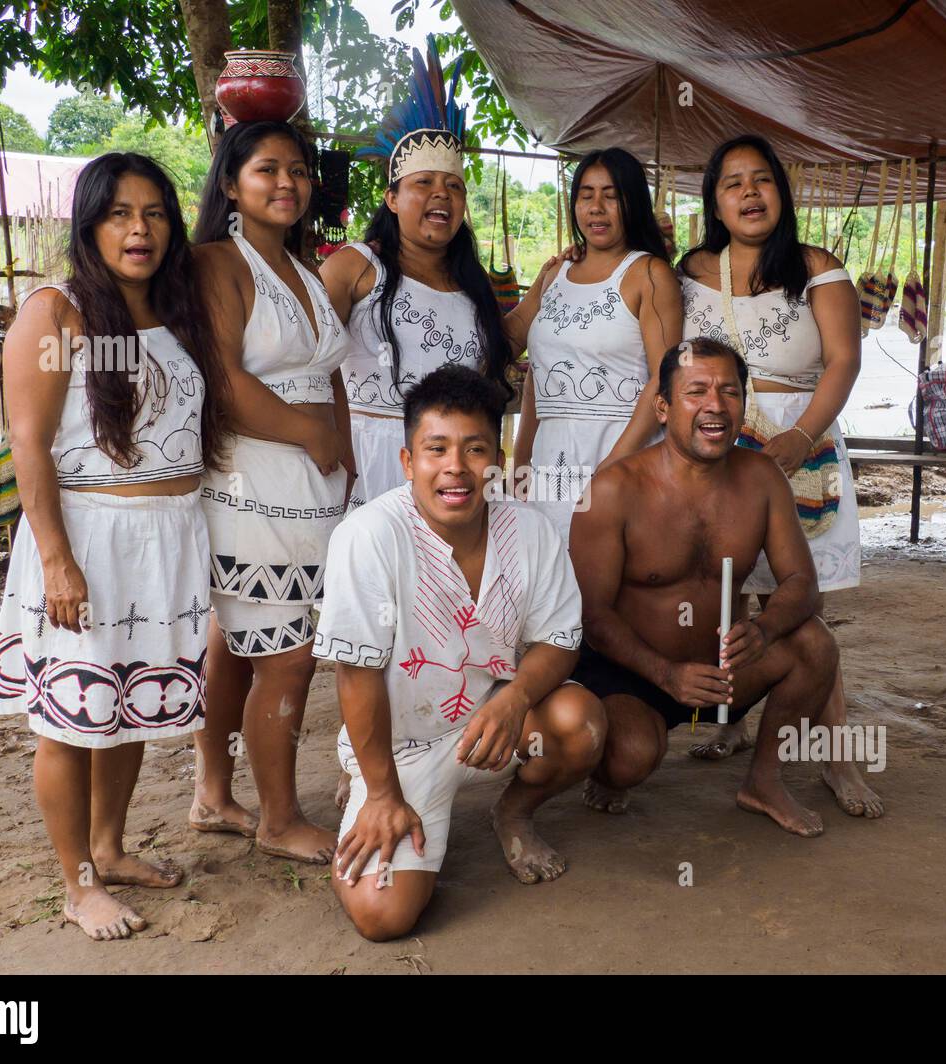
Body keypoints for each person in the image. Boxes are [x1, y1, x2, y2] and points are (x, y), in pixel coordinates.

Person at [0, 152, 229, 940]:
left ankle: (111, 848)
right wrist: (56, 558)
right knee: (68, 719)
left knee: (124, 707)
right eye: (121, 213)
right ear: (89, 223)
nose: (139, 230)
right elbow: (27, 443)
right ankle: (77, 881)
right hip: (89, 537)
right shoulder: (55, 312)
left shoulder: (174, 310)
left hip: (165, 538)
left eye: (156, 213)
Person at [313, 366, 604, 941]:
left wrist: (516, 697)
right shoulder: (368, 536)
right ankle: (365, 779)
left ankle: (512, 813)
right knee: (382, 915)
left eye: (474, 450)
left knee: (580, 724)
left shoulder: (532, 531)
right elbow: (356, 672)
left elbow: (560, 640)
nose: (455, 468)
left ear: (496, 459)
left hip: (491, 726)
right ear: (406, 462)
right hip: (399, 749)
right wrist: (383, 793)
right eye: (436, 449)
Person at [676, 133, 882, 818]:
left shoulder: (818, 268)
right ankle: (732, 722)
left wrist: (799, 435)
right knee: (729, 596)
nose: (748, 193)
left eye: (761, 180)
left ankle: (837, 758)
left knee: (800, 607)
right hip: (718, 442)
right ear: (714, 200)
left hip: (804, 445)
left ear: (780, 193)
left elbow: (844, 362)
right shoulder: (692, 271)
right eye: (732, 183)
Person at [569, 338, 841, 836]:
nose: (715, 405)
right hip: (635, 673)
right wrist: (666, 674)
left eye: (730, 392)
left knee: (815, 644)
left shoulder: (761, 478)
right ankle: (612, 763)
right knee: (628, 761)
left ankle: (763, 781)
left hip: (722, 670)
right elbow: (592, 616)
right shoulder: (613, 490)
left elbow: (803, 585)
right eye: (696, 391)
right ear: (663, 406)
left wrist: (762, 630)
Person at [187, 120, 353, 864]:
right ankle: (279, 819)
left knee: (250, 642)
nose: (287, 182)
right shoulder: (217, 263)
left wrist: (341, 451)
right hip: (252, 480)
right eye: (267, 169)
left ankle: (214, 791)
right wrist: (310, 434)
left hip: (316, 487)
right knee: (287, 656)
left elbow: (333, 374)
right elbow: (221, 381)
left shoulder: (305, 268)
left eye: (299, 170)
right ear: (230, 183)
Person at [320, 36, 552, 512]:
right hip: (368, 458)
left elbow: (497, 349)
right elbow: (309, 356)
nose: (441, 196)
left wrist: (543, 288)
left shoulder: (472, 282)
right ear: (391, 198)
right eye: (423, 184)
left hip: (453, 469)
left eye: (453, 186)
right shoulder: (356, 266)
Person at [512, 147, 682, 544]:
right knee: (552, 589)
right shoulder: (556, 273)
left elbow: (664, 379)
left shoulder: (649, 274)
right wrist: (521, 466)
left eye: (611, 195)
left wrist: (611, 468)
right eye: (586, 195)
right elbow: (538, 378)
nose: (597, 207)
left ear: (632, 202)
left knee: (611, 591)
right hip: (549, 465)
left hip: (623, 459)